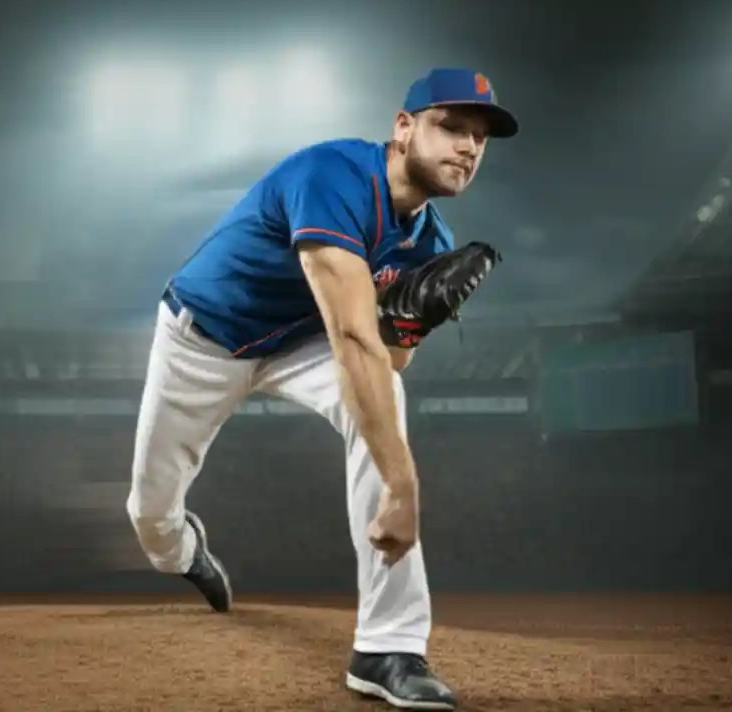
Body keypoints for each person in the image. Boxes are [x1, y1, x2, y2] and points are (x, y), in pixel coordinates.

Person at [125, 67, 518, 710]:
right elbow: (354, 340)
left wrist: (411, 323)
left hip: (302, 343)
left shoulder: (432, 242)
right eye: (451, 126)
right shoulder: (331, 175)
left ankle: (387, 647)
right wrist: (403, 487)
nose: (468, 147)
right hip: (206, 339)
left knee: (383, 400)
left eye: (480, 137)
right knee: (147, 512)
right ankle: (182, 551)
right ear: (403, 127)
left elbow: (387, 356)